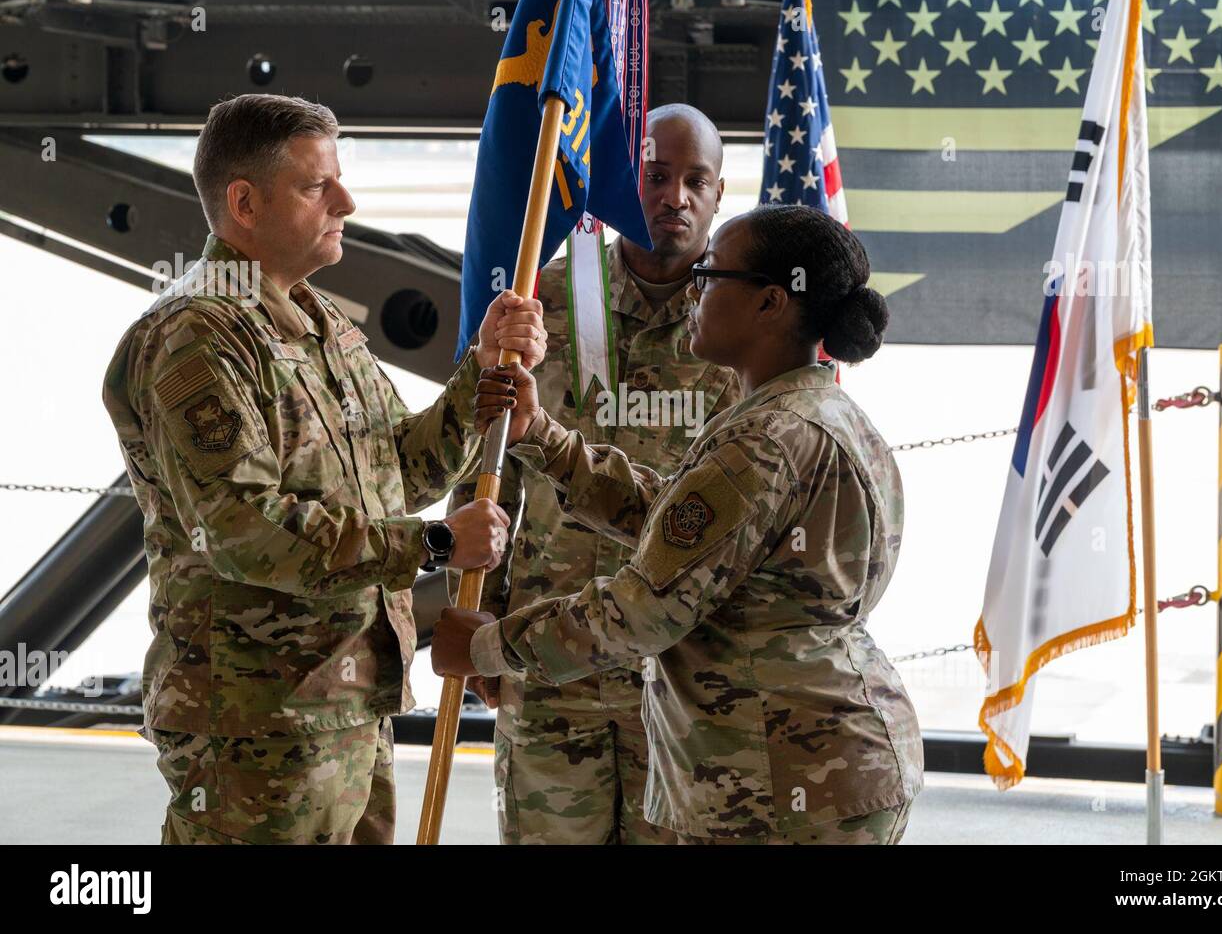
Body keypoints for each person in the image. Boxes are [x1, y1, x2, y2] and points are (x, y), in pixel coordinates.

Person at [101, 93, 547, 844]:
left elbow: (394, 472)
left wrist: (482, 374)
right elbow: (246, 532)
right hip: (256, 722)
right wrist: (436, 547)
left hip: (345, 705)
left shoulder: (317, 320)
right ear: (244, 203)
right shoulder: (197, 339)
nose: (346, 199)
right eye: (318, 186)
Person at [434, 204, 924, 844]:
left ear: (770, 303)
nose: (694, 290)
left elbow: (643, 609)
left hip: (783, 779)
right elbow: (678, 525)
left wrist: (487, 647)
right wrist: (543, 438)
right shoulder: (810, 411)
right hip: (804, 763)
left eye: (711, 276)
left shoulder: (766, 441)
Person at [444, 104, 741, 844]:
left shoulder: (741, 329)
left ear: (718, 195)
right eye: (655, 174)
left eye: (694, 180)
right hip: (550, 666)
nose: (674, 197)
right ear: (620, 180)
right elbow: (485, 471)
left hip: (683, 680)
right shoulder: (540, 304)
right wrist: (478, 609)